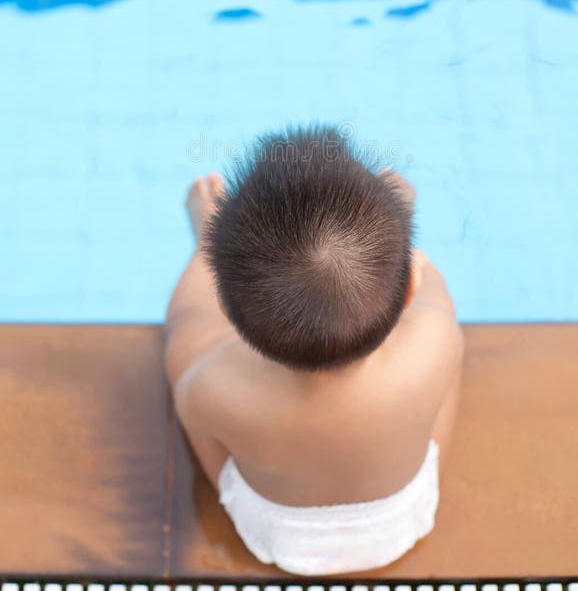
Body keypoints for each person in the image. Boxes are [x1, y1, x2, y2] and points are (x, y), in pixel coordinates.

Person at [164, 125, 464, 576]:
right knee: (448, 359)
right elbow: (427, 283)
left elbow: (187, 321)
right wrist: (397, 221)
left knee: (185, 351)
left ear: (222, 306)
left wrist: (206, 235)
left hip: (281, 537)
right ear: (408, 292)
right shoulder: (433, 341)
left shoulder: (215, 388)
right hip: (400, 519)